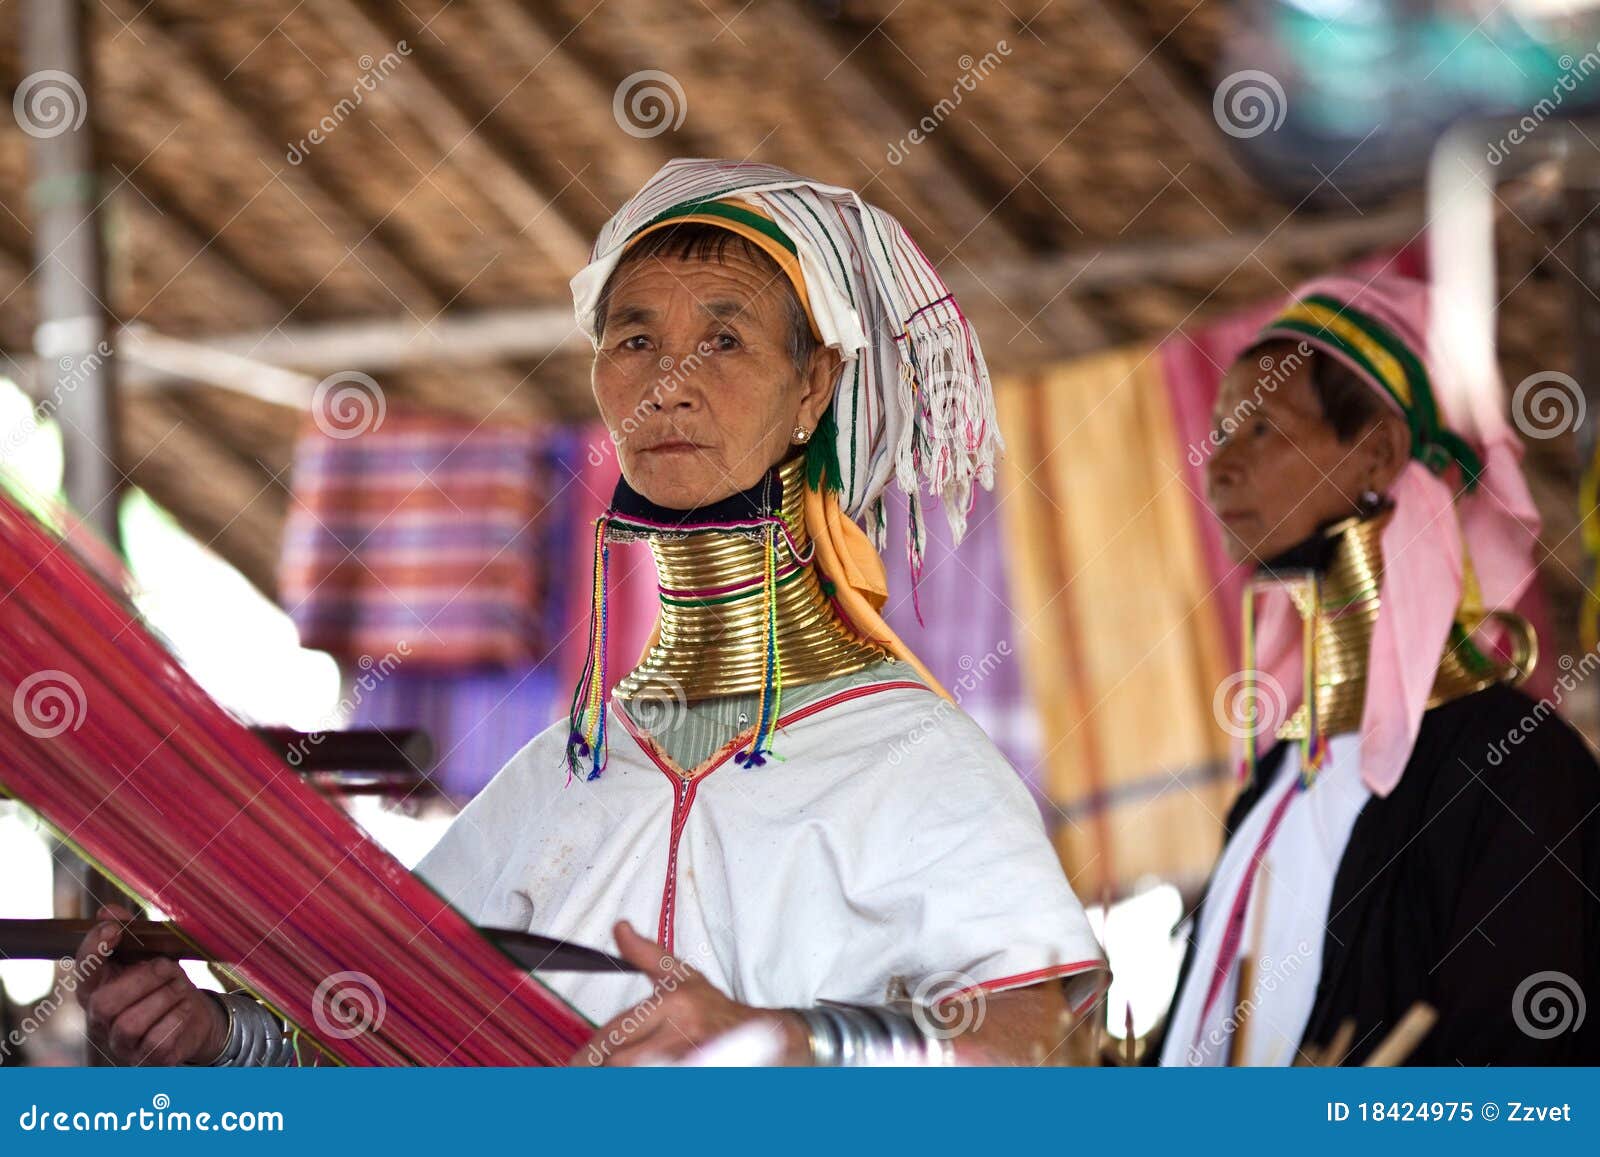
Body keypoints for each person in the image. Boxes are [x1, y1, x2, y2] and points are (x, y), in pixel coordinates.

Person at [75, 160, 1107, 1067]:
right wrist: (220, 1037)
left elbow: (1044, 1046)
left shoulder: (911, 757)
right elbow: (397, 1050)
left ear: (812, 389)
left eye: (725, 338)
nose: (668, 382)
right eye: (635, 338)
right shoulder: (565, 773)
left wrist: (792, 1042)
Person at [1155, 273, 1599, 1065]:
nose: (1218, 464)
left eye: (1262, 430)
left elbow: (1525, 1086)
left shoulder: (1515, 765)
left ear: (1379, 455)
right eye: (1221, 429)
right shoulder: (1278, 779)